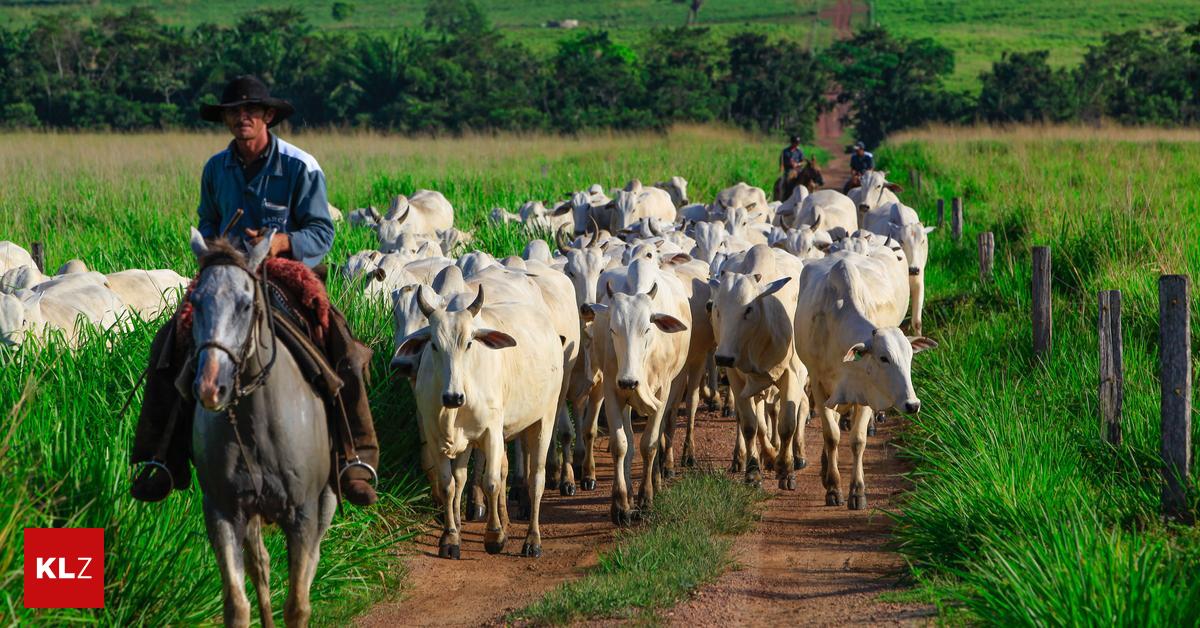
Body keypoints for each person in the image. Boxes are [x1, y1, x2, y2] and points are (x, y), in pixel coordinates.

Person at [129, 75, 380, 506]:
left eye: (250, 110)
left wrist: (282, 242)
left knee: (343, 346)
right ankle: (161, 458)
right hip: (230, 272)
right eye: (233, 111)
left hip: (288, 271)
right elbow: (208, 220)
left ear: (267, 116)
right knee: (171, 341)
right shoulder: (215, 168)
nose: (241, 117)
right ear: (225, 118)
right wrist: (215, 247)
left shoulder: (301, 166)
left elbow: (323, 231)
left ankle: (355, 457)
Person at [777, 135, 807, 200]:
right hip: (789, 170)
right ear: (792, 142)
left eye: (798, 143)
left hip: (798, 170)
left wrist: (797, 164)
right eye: (796, 142)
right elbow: (782, 162)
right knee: (785, 180)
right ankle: (784, 195)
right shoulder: (785, 151)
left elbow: (803, 161)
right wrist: (789, 164)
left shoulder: (799, 151)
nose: (797, 144)